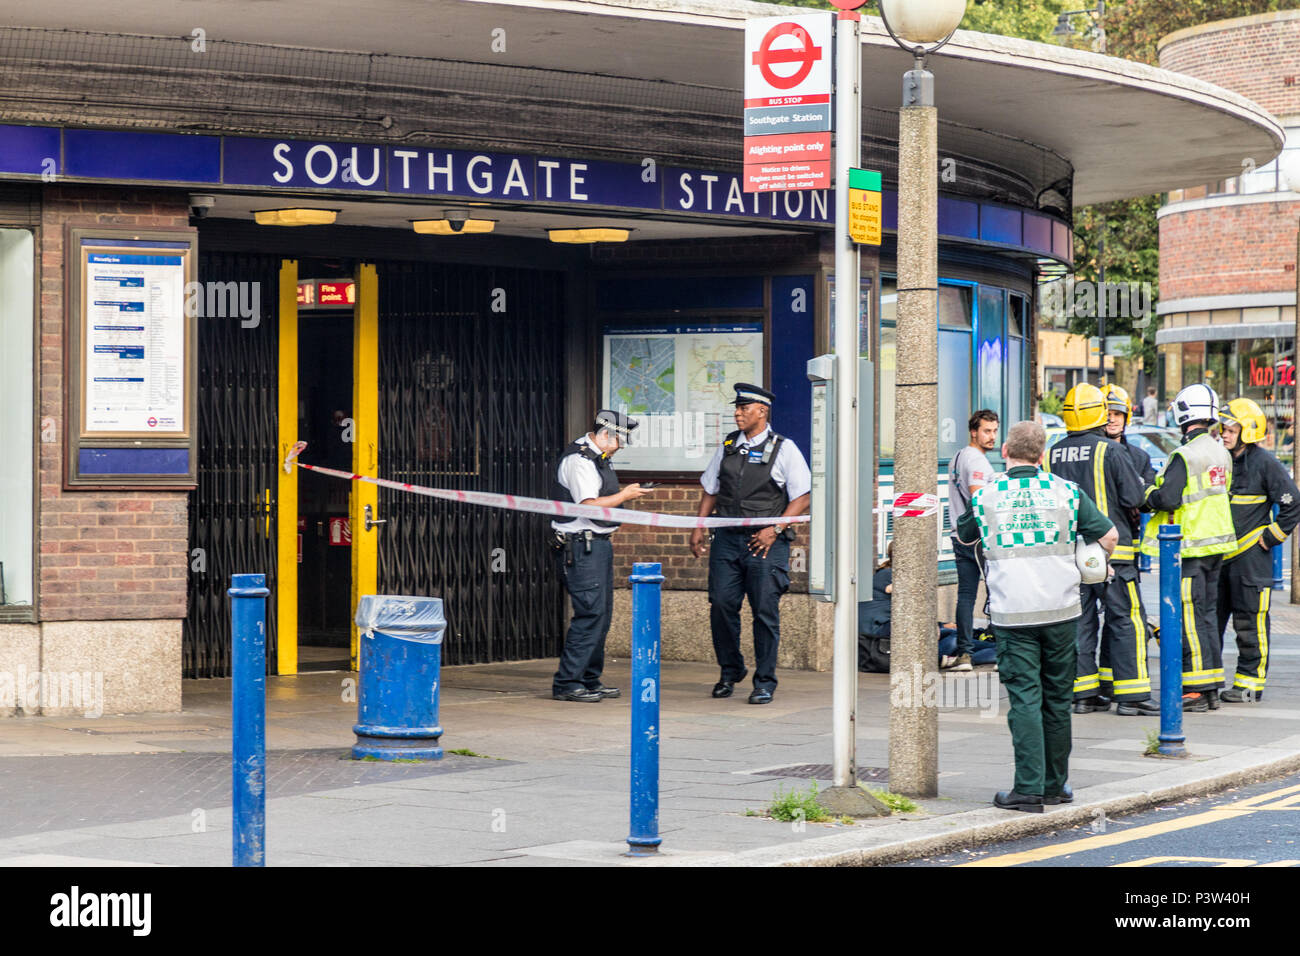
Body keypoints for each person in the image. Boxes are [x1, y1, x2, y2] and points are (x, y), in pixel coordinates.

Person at [956, 420, 1118, 812]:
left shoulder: (988, 496)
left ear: (1006, 452)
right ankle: (1055, 785)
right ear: (1042, 455)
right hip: (1062, 611)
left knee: (1026, 698)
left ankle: (1027, 789)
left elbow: (964, 536)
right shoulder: (1067, 492)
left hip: (1013, 614)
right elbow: (1109, 536)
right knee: (1058, 698)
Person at [691, 383, 811, 704]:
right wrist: (699, 526)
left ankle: (765, 681)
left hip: (766, 541)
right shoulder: (729, 445)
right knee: (721, 604)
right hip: (727, 538)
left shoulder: (784, 449)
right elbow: (710, 488)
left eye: (744, 408)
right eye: (737, 408)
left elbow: (802, 496)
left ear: (762, 411)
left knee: (764, 611)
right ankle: (731, 670)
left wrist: (776, 527)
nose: (737, 413)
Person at [1045, 384, 1156, 717]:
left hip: (1071, 554)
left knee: (1080, 621)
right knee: (1127, 620)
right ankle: (1131, 695)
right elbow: (1135, 498)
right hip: (1113, 553)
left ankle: (1083, 694)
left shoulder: (1054, 451)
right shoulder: (1112, 451)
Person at [1139, 383, 1236, 712]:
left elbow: (1167, 498)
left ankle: (1195, 688)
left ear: (1183, 415)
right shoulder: (1220, 450)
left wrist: (1147, 495)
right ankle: (1210, 685)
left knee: (1190, 619)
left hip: (1191, 547)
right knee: (1207, 616)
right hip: (1216, 545)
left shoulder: (1185, 454)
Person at [550, 410, 647, 702]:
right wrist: (624, 496)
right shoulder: (579, 461)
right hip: (581, 546)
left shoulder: (597, 457)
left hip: (597, 544)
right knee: (590, 613)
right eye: (619, 440)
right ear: (605, 435)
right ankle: (567, 682)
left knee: (601, 615)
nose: (620, 446)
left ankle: (589, 679)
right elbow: (589, 506)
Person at [1217, 398, 1300, 702]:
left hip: (1252, 560)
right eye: (1223, 428)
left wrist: (1272, 537)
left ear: (1247, 431)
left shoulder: (1265, 463)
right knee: (1211, 623)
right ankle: (1208, 685)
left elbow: (1293, 503)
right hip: (1220, 559)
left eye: (1230, 428)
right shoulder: (1221, 460)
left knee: (1250, 626)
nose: (1224, 434)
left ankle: (1249, 684)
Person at [856, 543, 996, 673]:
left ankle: (989, 654)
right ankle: (999, 653)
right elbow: (904, 597)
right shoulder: (889, 574)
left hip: (885, 630)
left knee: (951, 638)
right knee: (953, 640)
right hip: (878, 633)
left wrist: (939, 624)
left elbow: (910, 613)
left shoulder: (886, 573)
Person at [946, 410, 1000, 672]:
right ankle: (1003, 651)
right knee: (998, 592)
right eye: (986, 431)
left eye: (994, 431)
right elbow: (978, 499)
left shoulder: (957, 457)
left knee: (966, 595)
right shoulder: (977, 461)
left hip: (960, 536)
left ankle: (964, 653)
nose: (991, 436)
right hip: (980, 539)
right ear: (973, 432)